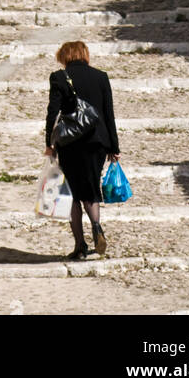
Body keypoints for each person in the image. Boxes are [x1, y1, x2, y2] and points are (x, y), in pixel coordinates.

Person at [44, 40, 120, 260]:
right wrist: (114, 147)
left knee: (72, 195)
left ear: (64, 56)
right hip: (97, 143)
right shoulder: (101, 77)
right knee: (91, 188)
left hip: (70, 144)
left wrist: (49, 143)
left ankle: (79, 246)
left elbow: (52, 112)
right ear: (85, 54)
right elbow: (108, 114)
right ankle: (96, 226)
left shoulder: (59, 77)